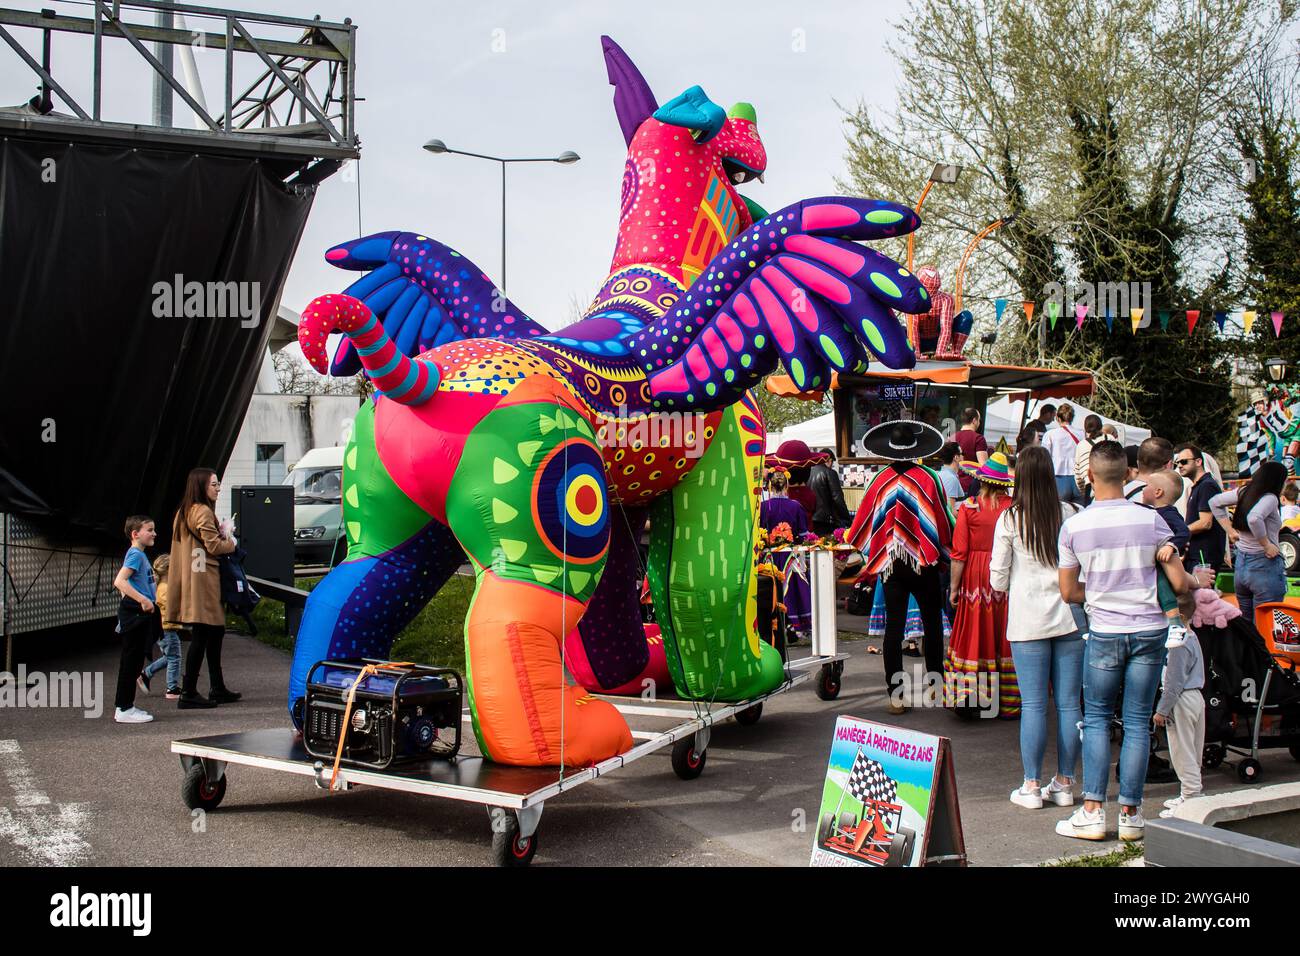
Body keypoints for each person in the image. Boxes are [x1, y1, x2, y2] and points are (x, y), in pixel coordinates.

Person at [1056, 440, 1191, 842]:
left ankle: (1094, 810)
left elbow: (1068, 591)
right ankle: (1131, 813)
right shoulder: (1151, 521)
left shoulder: (1075, 526)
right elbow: (1178, 580)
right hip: (1151, 629)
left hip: (1105, 631)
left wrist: (1100, 589)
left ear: (1092, 476)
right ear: (1128, 473)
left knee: (1096, 718)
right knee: (1136, 722)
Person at [990, 446, 1083, 809]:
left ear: (1019, 477)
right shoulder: (1072, 513)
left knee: (1033, 705)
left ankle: (1031, 785)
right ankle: (1064, 783)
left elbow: (998, 581)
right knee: (1069, 705)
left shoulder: (1010, 519)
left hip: (1027, 621)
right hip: (1070, 617)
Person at [847, 421, 952, 715]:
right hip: (922, 563)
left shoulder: (879, 480)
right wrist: (939, 548)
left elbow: (863, 523)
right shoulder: (928, 478)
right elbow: (941, 521)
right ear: (916, 449)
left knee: (894, 629)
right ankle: (935, 685)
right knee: (931, 623)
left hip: (891, 565)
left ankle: (896, 695)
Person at [945, 451, 1015, 718]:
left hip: (975, 574)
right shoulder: (1013, 507)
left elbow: (959, 553)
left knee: (975, 630)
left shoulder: (969, 507)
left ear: (982, 479)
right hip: (1005, 572)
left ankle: (971, 693)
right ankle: (1005, 697)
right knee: (1002, 630)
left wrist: (954, 588)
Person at [166, 468, 238, 708]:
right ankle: (189, 692)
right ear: (201, 486)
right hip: (204, 581)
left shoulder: (184, 512)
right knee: (202, 635)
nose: (218, 488)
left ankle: (217, 687)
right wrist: (232, 543)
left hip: (192, 578)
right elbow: (215, 547)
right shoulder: (203, 512)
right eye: (214, 485)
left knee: (213, 633)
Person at [1211, 460, 1287, 624]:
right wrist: (1266, 544)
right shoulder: (1270, 498)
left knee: (1246, 621)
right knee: (1267, 621)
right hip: (1264, 565)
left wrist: (1230, 530)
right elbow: (1254, 518)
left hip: (1242, 565)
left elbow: (1214, 502)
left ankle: (1246, 650)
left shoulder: (1243, 491)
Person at [1154, 593, 1206, 818]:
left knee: (1181, 750)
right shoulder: (1193, 637)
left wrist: (1161, 710)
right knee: (1193, 748)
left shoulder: (1179, 641)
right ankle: (1188, 794)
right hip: (1196, 697)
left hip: (1182, 700)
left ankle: (1191, 796)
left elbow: (1173, 681)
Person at [112, 516, 161, 724]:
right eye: (149, 529)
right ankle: (124, 708)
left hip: (138, 613)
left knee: (133, 661)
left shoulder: (139, 555)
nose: (154, 533)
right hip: (136, 614)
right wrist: (142, 600)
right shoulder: (135, 554)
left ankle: (126, 706)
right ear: (135, 534)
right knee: (131, 662)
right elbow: (120, 581)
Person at [760, 468, 811, 640]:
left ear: (769, 486)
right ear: (787, 485)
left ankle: (771, 626)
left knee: (771, 591)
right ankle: (797, 626)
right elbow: (804, 535)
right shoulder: (796, 507)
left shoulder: (763, 507)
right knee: (794, 591)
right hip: (791, 557)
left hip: (769, 558)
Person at [1173, 443, 1225, 572]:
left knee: (1202, 592)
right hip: (1197, 553)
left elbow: (1205, 522)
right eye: (1177, 463)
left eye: (1184, 462)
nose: (1180, 466)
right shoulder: (1198, 486)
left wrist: (1181, 532)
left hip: (1204, 555)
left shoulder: (1207, 485)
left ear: (1198, 461)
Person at [138, 554, 182, 701]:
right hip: (166, 629)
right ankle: (172, 688)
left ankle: (146, 674)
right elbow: (172, 608)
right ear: (169, 569)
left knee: (169, 657)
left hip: (165, 628)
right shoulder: (165, 589)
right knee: (174, 657)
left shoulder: (161, 587)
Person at [1041, 403, 1083, 505]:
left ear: (1057, 418)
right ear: (1072, 418)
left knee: (1060, 514)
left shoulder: (1050, 434)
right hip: (1078, 477)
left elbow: (1044, 458)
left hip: (1058, 477)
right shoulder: (1082, 433)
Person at [809, 449, 852, 536]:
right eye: (832, 462)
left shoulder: (808, 472)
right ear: (829, 460)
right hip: (826, 521)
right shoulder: (830, 473)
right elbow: (838, 499)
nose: (832, 465)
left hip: (811, 520)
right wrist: (847, 519)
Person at [953, 407, 989, 496]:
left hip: (953, 486)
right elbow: (983, 466)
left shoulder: (952, 437)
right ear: (974, 420)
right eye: (979, 420)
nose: (979, 423)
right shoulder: (978, 438)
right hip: (970, 488)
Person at [1073, 414, 1107, 504]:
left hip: (1090, 486)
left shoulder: (1081, 445)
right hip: (1110, 482)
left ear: (1086, 428)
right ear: (1101, 426)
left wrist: (1083, 491)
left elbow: (1077, 472)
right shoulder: (1110, 439)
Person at [937, 441, 966, 505]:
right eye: (962, 454)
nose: (963, 457)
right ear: (956, 457)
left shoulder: (941, 474)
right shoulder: (951, 478)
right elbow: (950, 511)